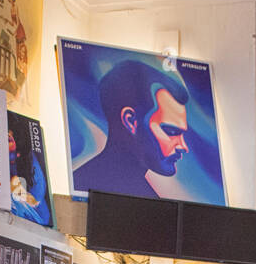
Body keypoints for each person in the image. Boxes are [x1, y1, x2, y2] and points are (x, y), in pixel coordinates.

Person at [72, 60, 191, 199]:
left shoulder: (80, 181)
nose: (183, 146)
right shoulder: (81, 187)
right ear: (131, 121)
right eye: (171, 132)